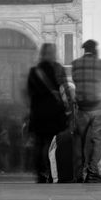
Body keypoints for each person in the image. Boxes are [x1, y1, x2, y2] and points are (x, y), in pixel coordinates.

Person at [27, 42, 72, 183]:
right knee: (53, 144)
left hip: (39, 115)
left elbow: (30, 93)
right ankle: (53, 172)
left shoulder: (34, 71)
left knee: (40, 145)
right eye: (52, 52)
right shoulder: (58, 69)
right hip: (55, 114)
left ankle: (41, 173)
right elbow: (65, 89)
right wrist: (69, 107)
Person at [71, 38, 101, 183]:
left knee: (79, 141)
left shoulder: (76, 64)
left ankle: (78, 174)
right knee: (97, 141)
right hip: (98, 107)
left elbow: (75, 79)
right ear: (95, 50)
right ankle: (92, 173)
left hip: (82, 108)